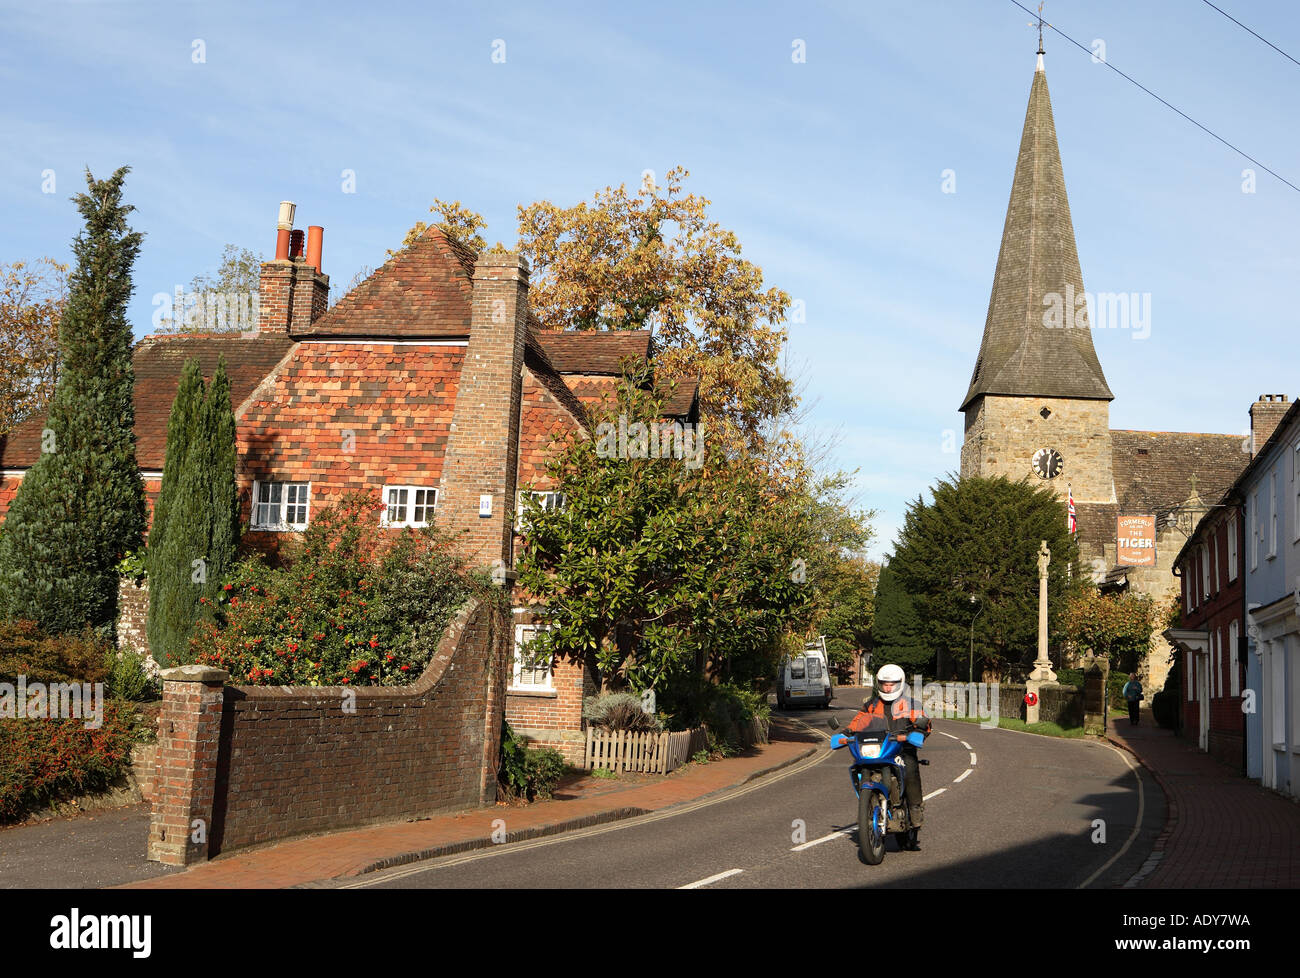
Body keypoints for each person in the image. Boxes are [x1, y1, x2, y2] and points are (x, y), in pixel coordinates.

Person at [845, 663, 932, 851]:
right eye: (884, 684)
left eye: (892, 684)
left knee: (910, 768)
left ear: (900, 684)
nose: (888, 687)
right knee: (858, 765)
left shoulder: (910, 704)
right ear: (879, 684)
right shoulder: (871, 704)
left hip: (901, 748)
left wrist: (919, 730)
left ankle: (915, 811)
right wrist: (846, 733)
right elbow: (857, 721)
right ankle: (869, 805)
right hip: (878, 748)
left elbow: (923, 721)